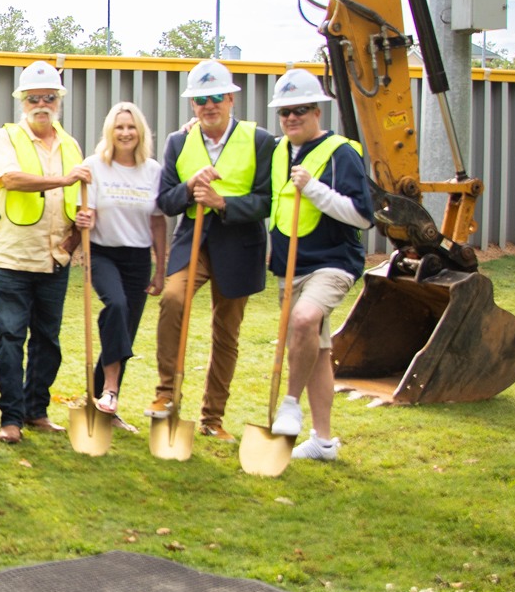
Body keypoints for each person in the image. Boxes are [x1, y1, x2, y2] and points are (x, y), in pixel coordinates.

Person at [147, 59, 275, 439]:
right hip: (195, 243)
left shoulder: (260, 140)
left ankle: (212, 418)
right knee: (172, 300)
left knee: (226, 334)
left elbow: (268, 201)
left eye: (216, 96)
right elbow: (167, 202)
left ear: (232, 98)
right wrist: (190, 187)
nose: (209, 105)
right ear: (192, 105)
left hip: (240, 246)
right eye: (201, 99)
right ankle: (166, 396)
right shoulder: (178, 141)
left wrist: (223, 204)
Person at [263, 69, 373, 462]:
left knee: (305, 321)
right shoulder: (276, 150)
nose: (292, 118)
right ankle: (323, 442)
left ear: (317, 111)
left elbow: (362, 216)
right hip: (290, 266)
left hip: (333, 263)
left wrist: (313, 188)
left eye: (301, 110)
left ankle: (290, 403)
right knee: (317, 351)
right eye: (285, 112)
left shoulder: (343, 152)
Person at [0, 61, 95, 442]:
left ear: (59, 100)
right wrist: (63, 179)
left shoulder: (71, 144)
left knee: (48, 340)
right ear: (22, 101)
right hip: (13, 259)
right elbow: (10, 179)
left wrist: (76, 239)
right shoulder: (7, 138)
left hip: (56, 259)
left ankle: (37, 411)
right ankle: (11, 418)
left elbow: (80, 199)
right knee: (11, 339)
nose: (42, 103)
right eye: (34, 97)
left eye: (49, 97)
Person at [77, 101, 166, 416]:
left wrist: (160, 269)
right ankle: (110, 390)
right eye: (119, 127)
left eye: (131, 127)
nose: (125, 133)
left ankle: (102, 404)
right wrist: (83, 220)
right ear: (109, 132)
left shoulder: (153, 171)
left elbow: (157, 221)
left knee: (123, 328)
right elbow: (87, 212)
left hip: (138, 258)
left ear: (140, 132)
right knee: (115, 306)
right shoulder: (96, 165)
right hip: (102, 253)